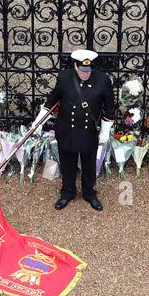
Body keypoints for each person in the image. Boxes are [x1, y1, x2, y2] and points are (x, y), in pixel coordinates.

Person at [43, 49, 116, 211]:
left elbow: (110, 110)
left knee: (89, 164)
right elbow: (51, 101)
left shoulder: (103, 80)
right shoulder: (64, 77)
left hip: (89, 131)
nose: (85, 74)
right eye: (82, 71)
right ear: (75, 66)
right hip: (66, 129)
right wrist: (36, 123)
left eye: (88, 70)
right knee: (67, 163)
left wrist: (104, 133)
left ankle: (89, 193)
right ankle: (67, 192)